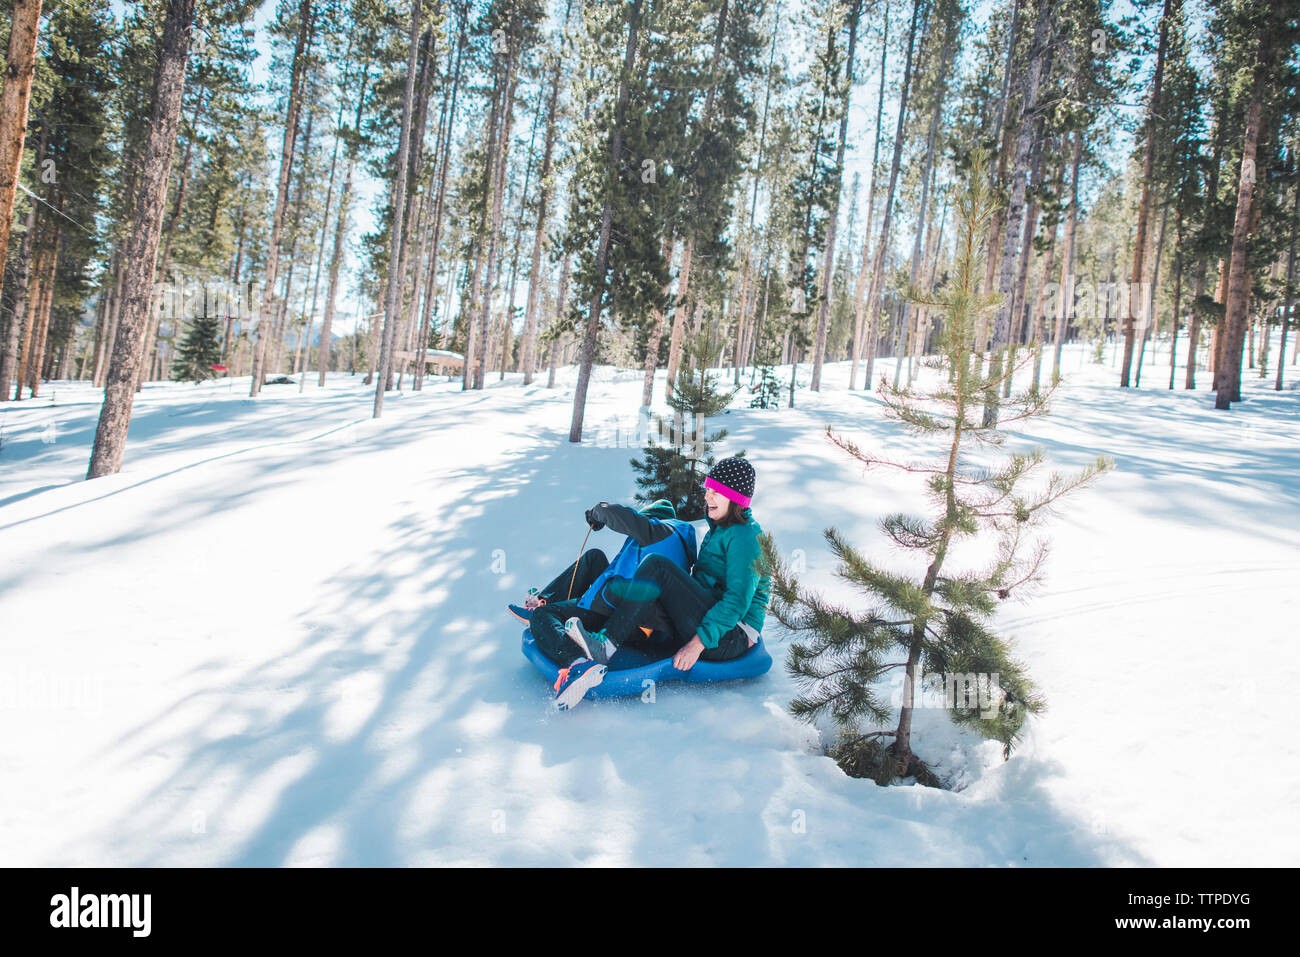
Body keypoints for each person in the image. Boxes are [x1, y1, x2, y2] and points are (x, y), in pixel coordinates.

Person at [554, 456, 771, 711]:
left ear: (735, 498)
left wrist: (695, 645)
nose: (707, 497)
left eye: (716, 492)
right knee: (642, 594)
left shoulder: (747, 537)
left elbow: (736, 602)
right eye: (707, 490)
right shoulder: (720, 529)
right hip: (711, 620)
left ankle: (606, 646)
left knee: (656, 565)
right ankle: (592, 643)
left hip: (730, 636)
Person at [521, 499, 697, 675]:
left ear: (650, 517)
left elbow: (618, 515)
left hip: (627, 619)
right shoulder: (677, 547)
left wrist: (597, 511)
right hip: (653, 627)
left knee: (542, 616)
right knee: (595, 557)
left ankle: (577, 662)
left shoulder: (657, 531)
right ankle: (546, 600)